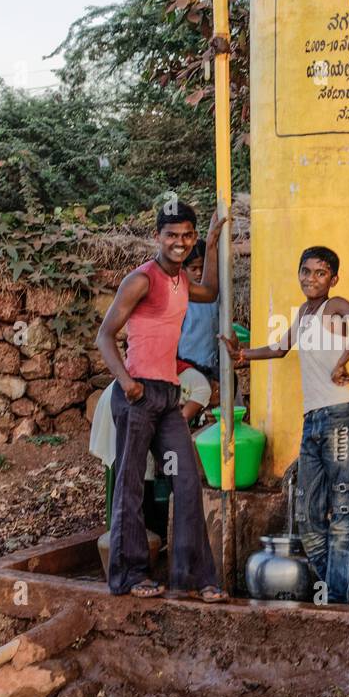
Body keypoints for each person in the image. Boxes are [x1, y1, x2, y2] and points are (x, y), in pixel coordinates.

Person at [222, 246, 349, 605]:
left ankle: (339, 598)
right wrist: (243, 355)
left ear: (333, 279)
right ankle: (333, 586)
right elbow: (280, 349)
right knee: (307, 515)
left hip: (339, 417)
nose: (311, 279)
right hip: (313, 420)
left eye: (320, 273)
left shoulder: (333, 305)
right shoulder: (306, 313)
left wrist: (342, 362)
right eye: (305, 271)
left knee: (342, 512)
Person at [96, 201, 228, 601]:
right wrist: (128, 383)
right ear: (158, 236)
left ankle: (193, 578)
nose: (180, 242)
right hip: (136, 395)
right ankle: (130, 576)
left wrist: (214, 240)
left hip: (169, 397)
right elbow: (105, 335)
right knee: (131, 486)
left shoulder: (182, 282)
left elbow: (212, 290)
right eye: (172, 235)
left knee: (187, 482)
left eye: (187, 236)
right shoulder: (141, 280)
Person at [178, 242, 220, 420]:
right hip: (186, 368)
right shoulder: (180, 298)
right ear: (183, 269)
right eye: (193, 268)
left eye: (202, 267)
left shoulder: (216, 295)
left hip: (210, 365)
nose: (199, 272)